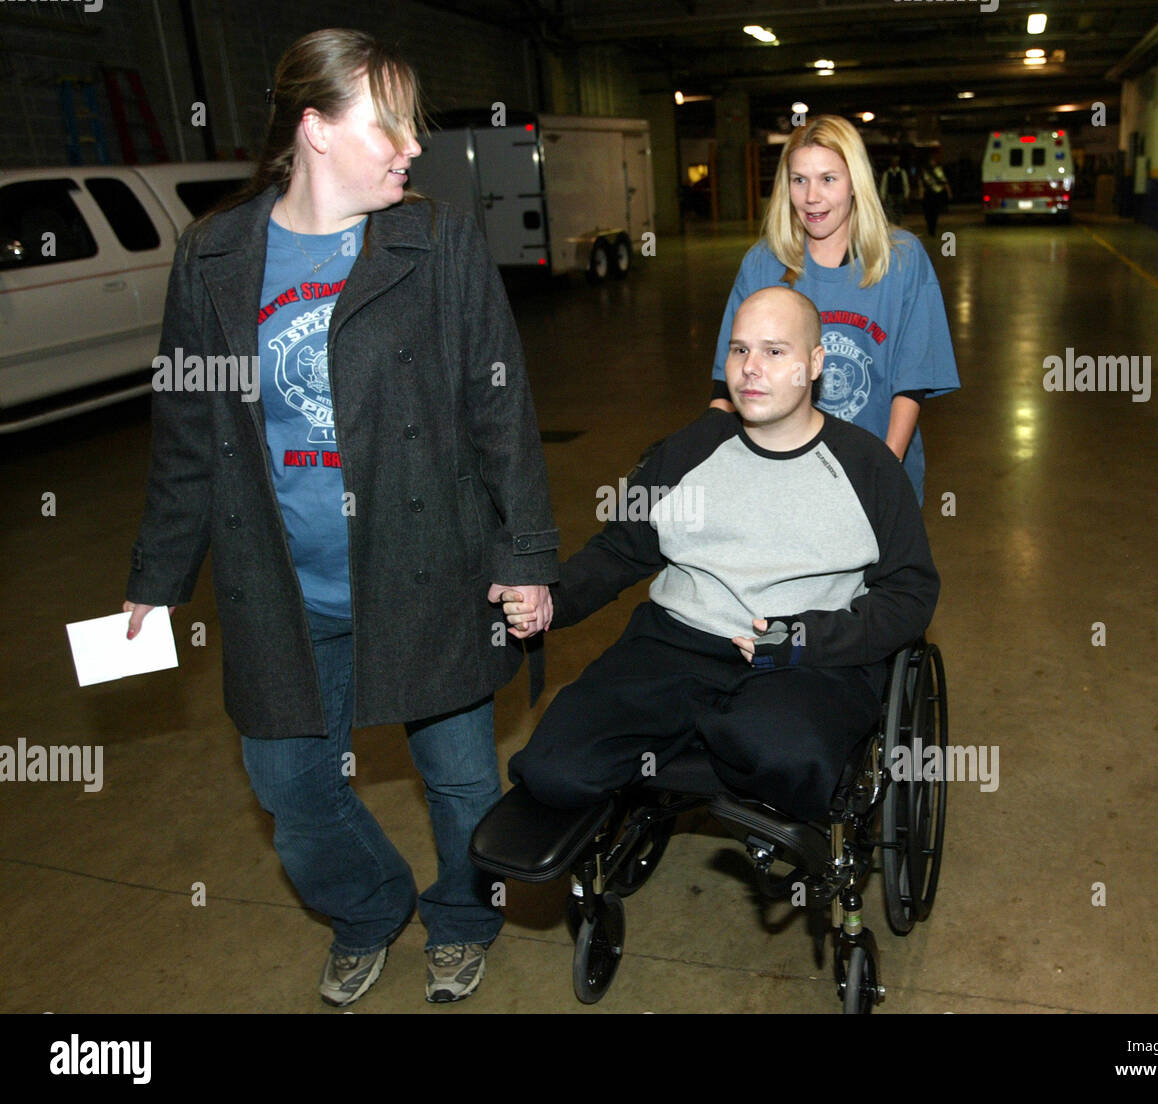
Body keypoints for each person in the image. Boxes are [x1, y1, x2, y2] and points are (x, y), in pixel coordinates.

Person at [122, 29, 558, 1007]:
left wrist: (526, 553)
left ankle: (461, 916)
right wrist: (153, 585)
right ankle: (367, 907)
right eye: (387, 124)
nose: (410, 145)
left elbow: (500, 408)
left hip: (429, 566)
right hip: (283, 583)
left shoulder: (435, 237)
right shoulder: (217, 256)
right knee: (287, 785)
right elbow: (190, 437)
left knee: (455, 776)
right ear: (313, 130)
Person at [505, 287, 938, 820]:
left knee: (784, 756)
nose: (751, 368)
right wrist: (554, 600)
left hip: (804, 658)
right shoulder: (690, 449)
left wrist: (804, 638)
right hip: (674, 645)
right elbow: (621, 550)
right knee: (551, 770)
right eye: (739, 351)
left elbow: (910, 593)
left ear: (815, 363)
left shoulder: (867, 465)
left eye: (775, 352)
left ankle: (735, 745)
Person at [708, 116, 960, 505]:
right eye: (799, 180)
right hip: (779, 477)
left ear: (856, 183)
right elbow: (729, 384)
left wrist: (885, 472)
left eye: (828, 179)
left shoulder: (903, 261)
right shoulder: (762, 265)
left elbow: (910, 383)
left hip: (877, 468)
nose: (812, 197)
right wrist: (709, 459)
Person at [920, 149, 953, 238]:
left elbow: (944, 181)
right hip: (928, 194)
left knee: (934, 212)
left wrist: (949, 192)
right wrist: (921, 193)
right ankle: (930, 227)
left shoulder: (939, 170)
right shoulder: (925, 171)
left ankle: (932, 229)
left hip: (936, 194)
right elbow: (922, 183)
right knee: (927, 213)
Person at [880, 156, 910, 223]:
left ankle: (897, 221)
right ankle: (892, 221)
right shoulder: (887, 173)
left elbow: (905, 184)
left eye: (896, 162)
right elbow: (884, 185)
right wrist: (883, 196)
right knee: (890, 210)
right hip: (890, 194)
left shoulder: (902, 172)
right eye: (893, 161)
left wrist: (906, 194)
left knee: (899, 209)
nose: (894, 163)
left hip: (900, 194)